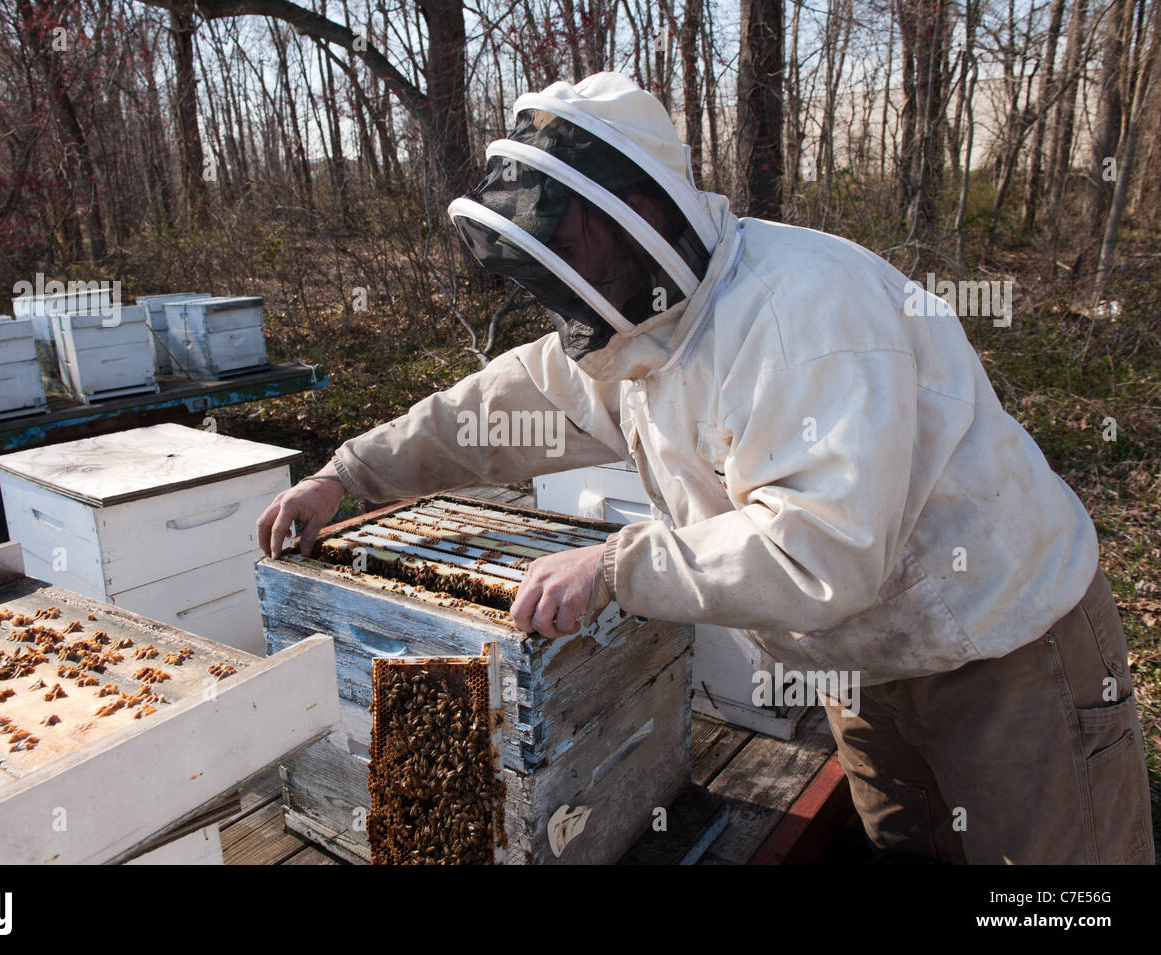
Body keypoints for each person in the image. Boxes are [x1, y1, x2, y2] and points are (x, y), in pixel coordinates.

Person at [257, 72, 1154, 865]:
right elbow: (500, 407)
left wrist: (617, 565)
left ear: (636, 212)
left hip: (1006, 651)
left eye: (569, 245)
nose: (558, 280)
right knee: (906, 847)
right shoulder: (642, 327)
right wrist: (349, 473)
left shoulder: (802, 316)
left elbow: (822, 554)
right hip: (865, 665)